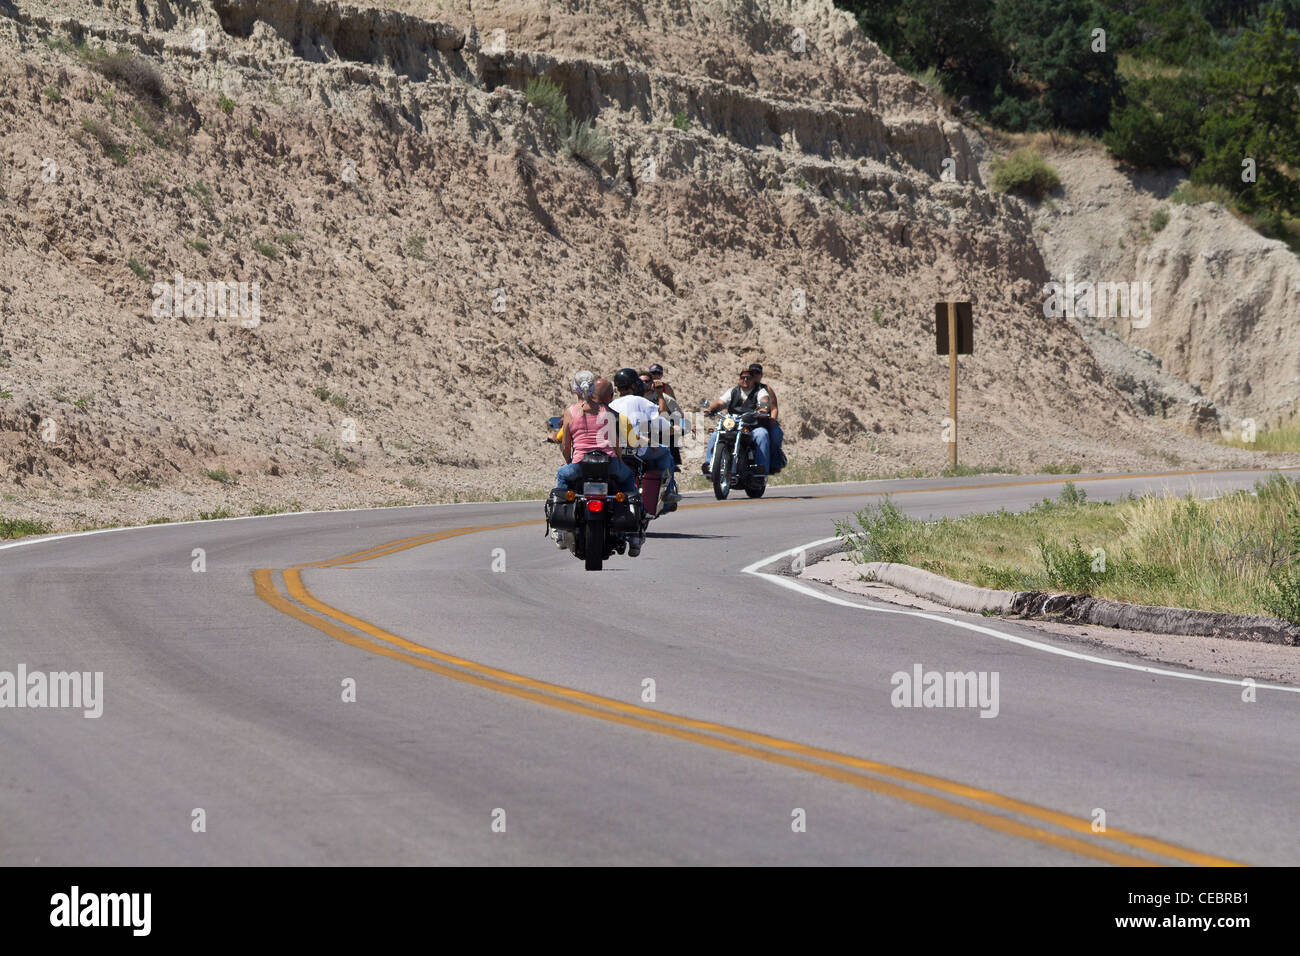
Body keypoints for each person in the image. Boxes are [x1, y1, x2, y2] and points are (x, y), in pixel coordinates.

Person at [556, 374, 637, 496]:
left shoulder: (570, 412)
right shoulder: (606, 410)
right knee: (628, 476)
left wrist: (568, 461)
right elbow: (615, 444)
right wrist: (619, 460)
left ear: (574, 389)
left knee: (562, 474)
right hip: (608, 463)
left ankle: (563, 506)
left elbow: (566, 446)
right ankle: (631, 510)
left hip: (580, 464)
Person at [611, 368, 679, 502]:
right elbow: (660, 421)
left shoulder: (611, 404)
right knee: (665, 453)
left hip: (615, 451)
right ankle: (668, 492)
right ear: (633, 385)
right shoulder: (640, 401)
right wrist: (674, 429)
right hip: (637, 449)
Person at [701, 364, 776, 475]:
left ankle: (760, 469)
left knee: (762, 434)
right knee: (715, 433)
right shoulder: (733, 391)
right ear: (739, 379)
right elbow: (721, 402)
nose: (745, 380)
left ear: (753, 380)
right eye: (742, 377)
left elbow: (764, 401)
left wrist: (763, 409)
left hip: (752, 424)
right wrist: (710, 409)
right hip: (733, 424)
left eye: (748, 378)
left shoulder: (760, 391)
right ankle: (709, 464)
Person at [745, 363, 785, 473]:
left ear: (761, 375)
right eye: (752, 373)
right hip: (745, 422)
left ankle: (774, 463)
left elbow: (774, 407)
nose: (754, 375)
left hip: (763, 421)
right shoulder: (743, 389)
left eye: (757, 373)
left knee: (775, 433)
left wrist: (772, 420)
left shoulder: (767, 389)